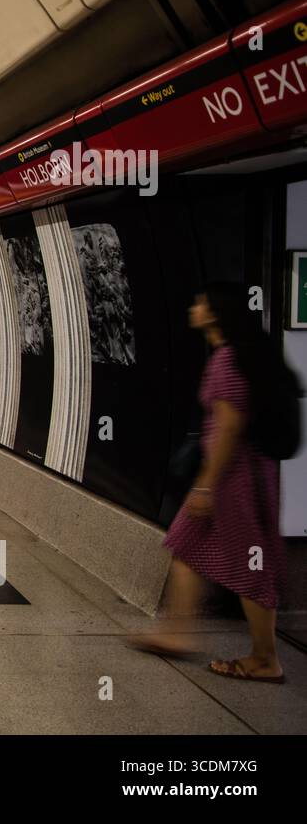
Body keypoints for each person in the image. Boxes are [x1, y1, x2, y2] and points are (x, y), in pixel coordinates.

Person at [130, 282, 290, 683]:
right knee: (185, 547)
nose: (194, 308)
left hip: (233, 479)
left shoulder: (230, 361)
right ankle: (176, 633)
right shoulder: (237, 356)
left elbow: (230, 426)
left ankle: (265, 657)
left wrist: (206, 485)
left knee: (250, 565)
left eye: (201, 303)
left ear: (217, 312)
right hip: (238, 474)